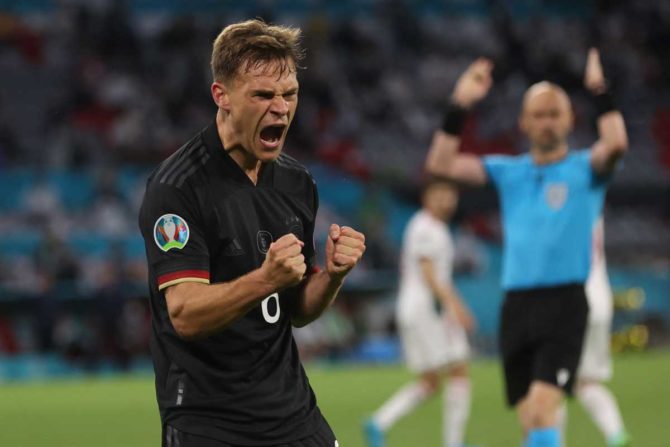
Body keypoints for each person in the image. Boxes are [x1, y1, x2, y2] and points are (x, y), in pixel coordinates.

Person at [138, 19, 366, 447]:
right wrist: (265, 278)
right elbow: (184, 314)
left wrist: (332, 275)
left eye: (290, 94)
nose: (280, 108)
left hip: (295, 414)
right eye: (263, 95)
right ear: (221, 96)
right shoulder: (178, 187)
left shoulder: (298, 183)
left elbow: (296, 309)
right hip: (210, 423)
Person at [424, 48, 628, 447]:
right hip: (516, 306)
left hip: (565, 302)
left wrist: (599, 90)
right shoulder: (509, 171)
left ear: (571, 120)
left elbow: (617, 144)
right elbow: (441, 165)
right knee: (530, 421)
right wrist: (460, 103)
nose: (547, 122)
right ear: (523, 123)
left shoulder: (586, 169)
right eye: (539, 114)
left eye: (555, 113)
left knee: (541, 408)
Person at [365, 179, 476, 447]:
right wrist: (456, 306)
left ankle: (379, 421)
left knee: (430, 381)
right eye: (439, 195)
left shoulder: (426, 225)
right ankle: (454, 443)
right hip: (428, 310)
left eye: (450, 195)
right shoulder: (427, 228)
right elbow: (429, 274)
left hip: (416, 309)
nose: (446, 200)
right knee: (459, 370)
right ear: (426, 197)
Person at [557, 218, 631, 447]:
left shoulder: (559, 205)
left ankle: (552, 442)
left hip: (570, 301)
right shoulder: (593, 206)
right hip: (600, 299)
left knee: (550, 383)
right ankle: (616, 434)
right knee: (587, 381)